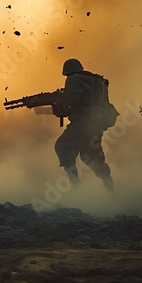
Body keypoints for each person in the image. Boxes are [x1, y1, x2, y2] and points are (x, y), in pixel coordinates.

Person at [53, 58, 119, 190]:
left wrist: (58, 101)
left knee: (62, 146)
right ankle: (111, 190)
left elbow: (71, 100)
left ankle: (75, 186)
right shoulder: (98, 80)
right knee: (90, 155)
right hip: (97, 123)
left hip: (84, 122)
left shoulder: (74, 79)